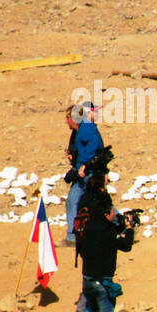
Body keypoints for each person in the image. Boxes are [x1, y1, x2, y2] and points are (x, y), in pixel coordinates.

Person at [72, 187, 135, 312]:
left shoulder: (89, 227)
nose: (115, 213)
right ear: (106, 214)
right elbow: (126, 245)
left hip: (88, 277)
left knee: (91, 308)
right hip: (102, 280)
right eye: (112, 211)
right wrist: (129, 229)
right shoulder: (109, 232)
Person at [64, 99, 103, 244]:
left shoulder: (86, 128)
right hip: (88, 172)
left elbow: (93, 148)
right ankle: (122, 225)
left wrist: (83, 166)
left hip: (89, 173)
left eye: (67, 119)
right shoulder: (79, 131)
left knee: (73, 201)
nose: (66, 122)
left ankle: (72, 238)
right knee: (98, 202)